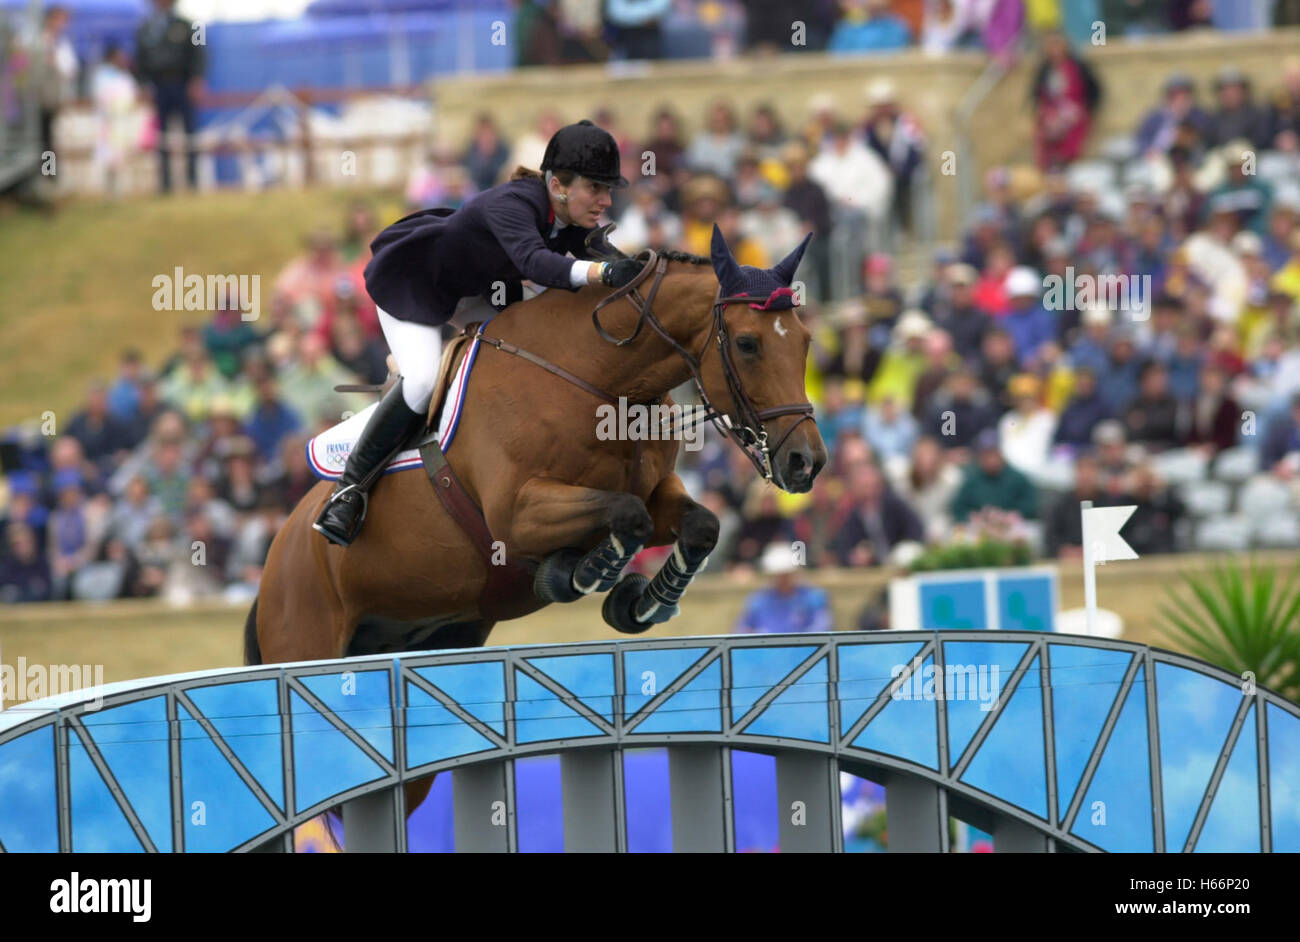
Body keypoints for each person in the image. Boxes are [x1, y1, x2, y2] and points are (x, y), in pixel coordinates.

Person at [316, 120, 642, 546]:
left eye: (608, 189)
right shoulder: (513, 203)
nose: (605, 199)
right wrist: (603, 272)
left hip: (476, 292)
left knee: (537, 341)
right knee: (423, 380)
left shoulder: (566, 216)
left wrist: (649, 271)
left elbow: (609, 258)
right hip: (415, 288)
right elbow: (537, 264)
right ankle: (349, 490)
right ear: (559, 184)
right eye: (596, 188)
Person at [133, 0, 206, 193]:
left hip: (182, 85)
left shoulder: (190, 25)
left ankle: (192, 182)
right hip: (159, 87)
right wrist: (143, 85)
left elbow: (200, 53)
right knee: (161, 136)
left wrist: (197, 79)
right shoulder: (145, 29)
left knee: (190, 134)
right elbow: (139, 60)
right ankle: (165, 184)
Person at [733, 542, 832, 634]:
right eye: (778, 575)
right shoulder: (758, 601)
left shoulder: (814, 597)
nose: (782, 579)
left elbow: (822, 628)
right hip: (765, 651)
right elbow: (741, 631)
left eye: (786, 574)